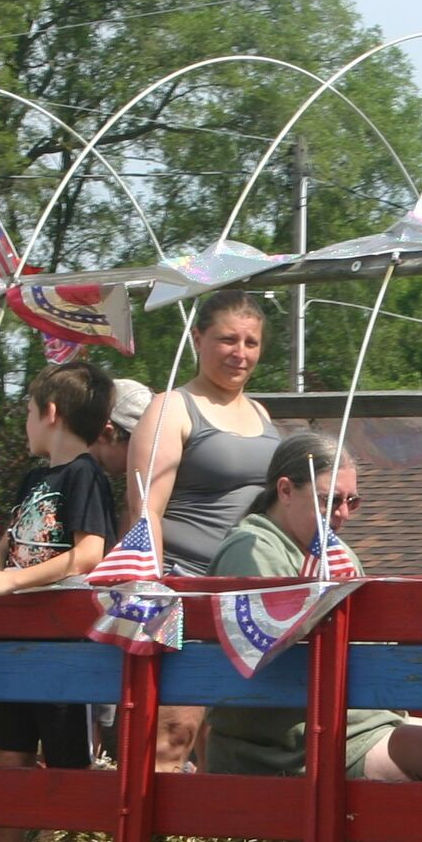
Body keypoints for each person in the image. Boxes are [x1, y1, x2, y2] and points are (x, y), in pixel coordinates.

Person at [206, 432, 422, 780]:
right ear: (285, 490)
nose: (343, 514)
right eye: (329, 500)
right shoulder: (252, 550)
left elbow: (373, 641)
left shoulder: (336, 553)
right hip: (299, 745)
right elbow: (272, 654)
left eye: (352, 501)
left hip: (354, 720)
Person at [0, 360, 120, 842]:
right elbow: (4, 546)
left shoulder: (86, 475)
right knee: (11, 759)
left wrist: (8, 582)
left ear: (49, 413)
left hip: (63, 651)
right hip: (16, 648)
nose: (25, 422)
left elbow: (91, 552)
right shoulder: (34, 478)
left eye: (27, 411)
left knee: (66, 767)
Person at [129, 290, 282, 768]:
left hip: (248, 592)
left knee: (231, 730)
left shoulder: (261, 415)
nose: (241, 353)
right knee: (176, 730)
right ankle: (154, 838)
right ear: (197, 338)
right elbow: (144, 510)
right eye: (227, 339)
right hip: (185, 588)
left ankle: (213, 834)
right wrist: (155, 595)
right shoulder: (171, 408)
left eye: (251, 342)